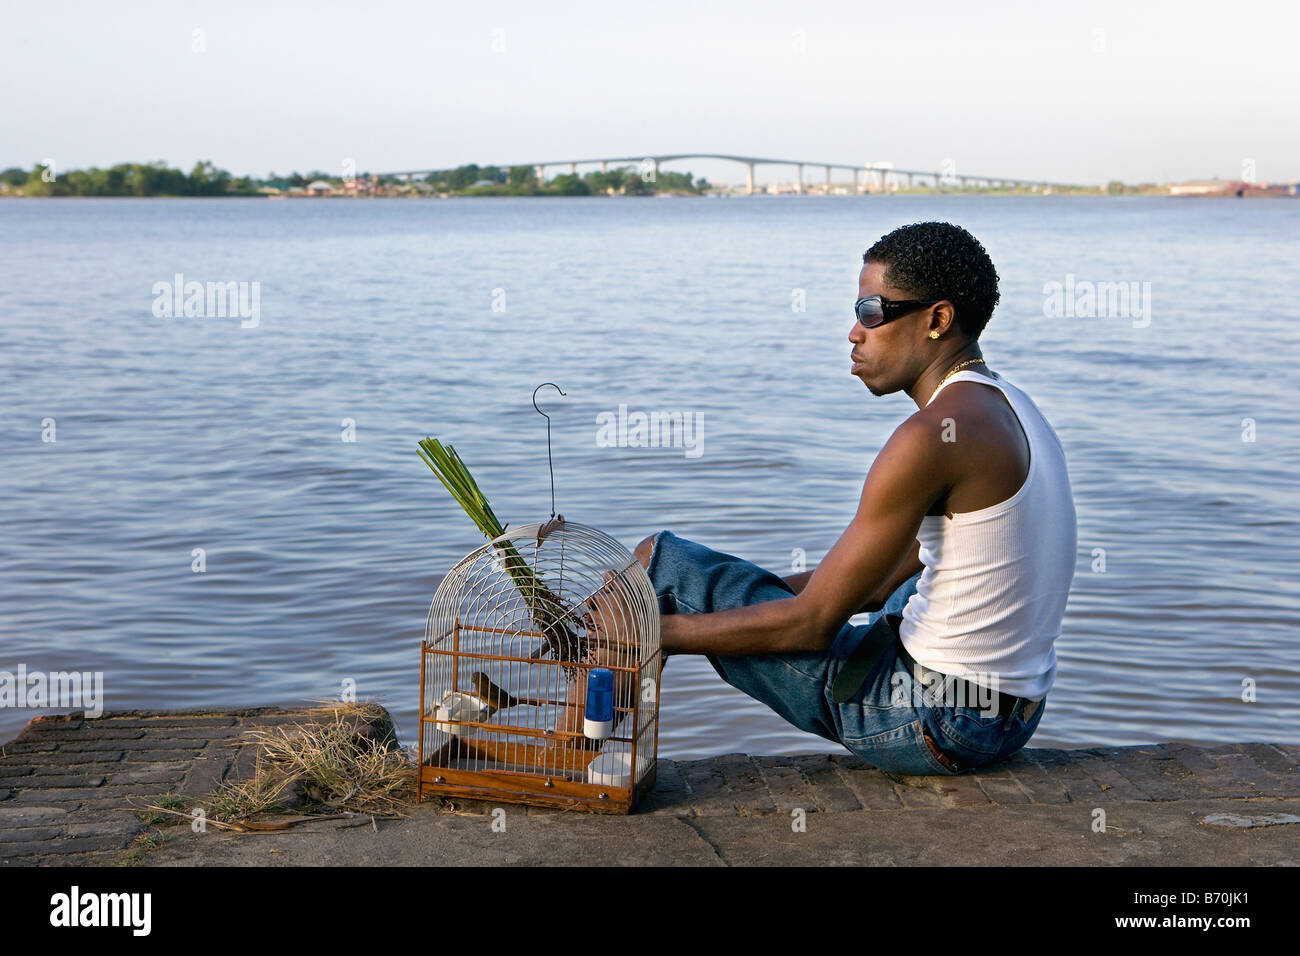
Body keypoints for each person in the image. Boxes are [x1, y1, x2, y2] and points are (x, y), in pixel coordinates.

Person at [628, 221, 1077, 776]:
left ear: (938, 319)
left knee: (659, 565)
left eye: (871, 312)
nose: (854, 333)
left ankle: (577, 751)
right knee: (886, 585)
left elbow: (812, 625)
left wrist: (647, 631)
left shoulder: (928, 437)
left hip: (936, 719)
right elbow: (881, 582)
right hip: (1007, 716)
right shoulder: (1009, 406)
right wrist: (742, 599)